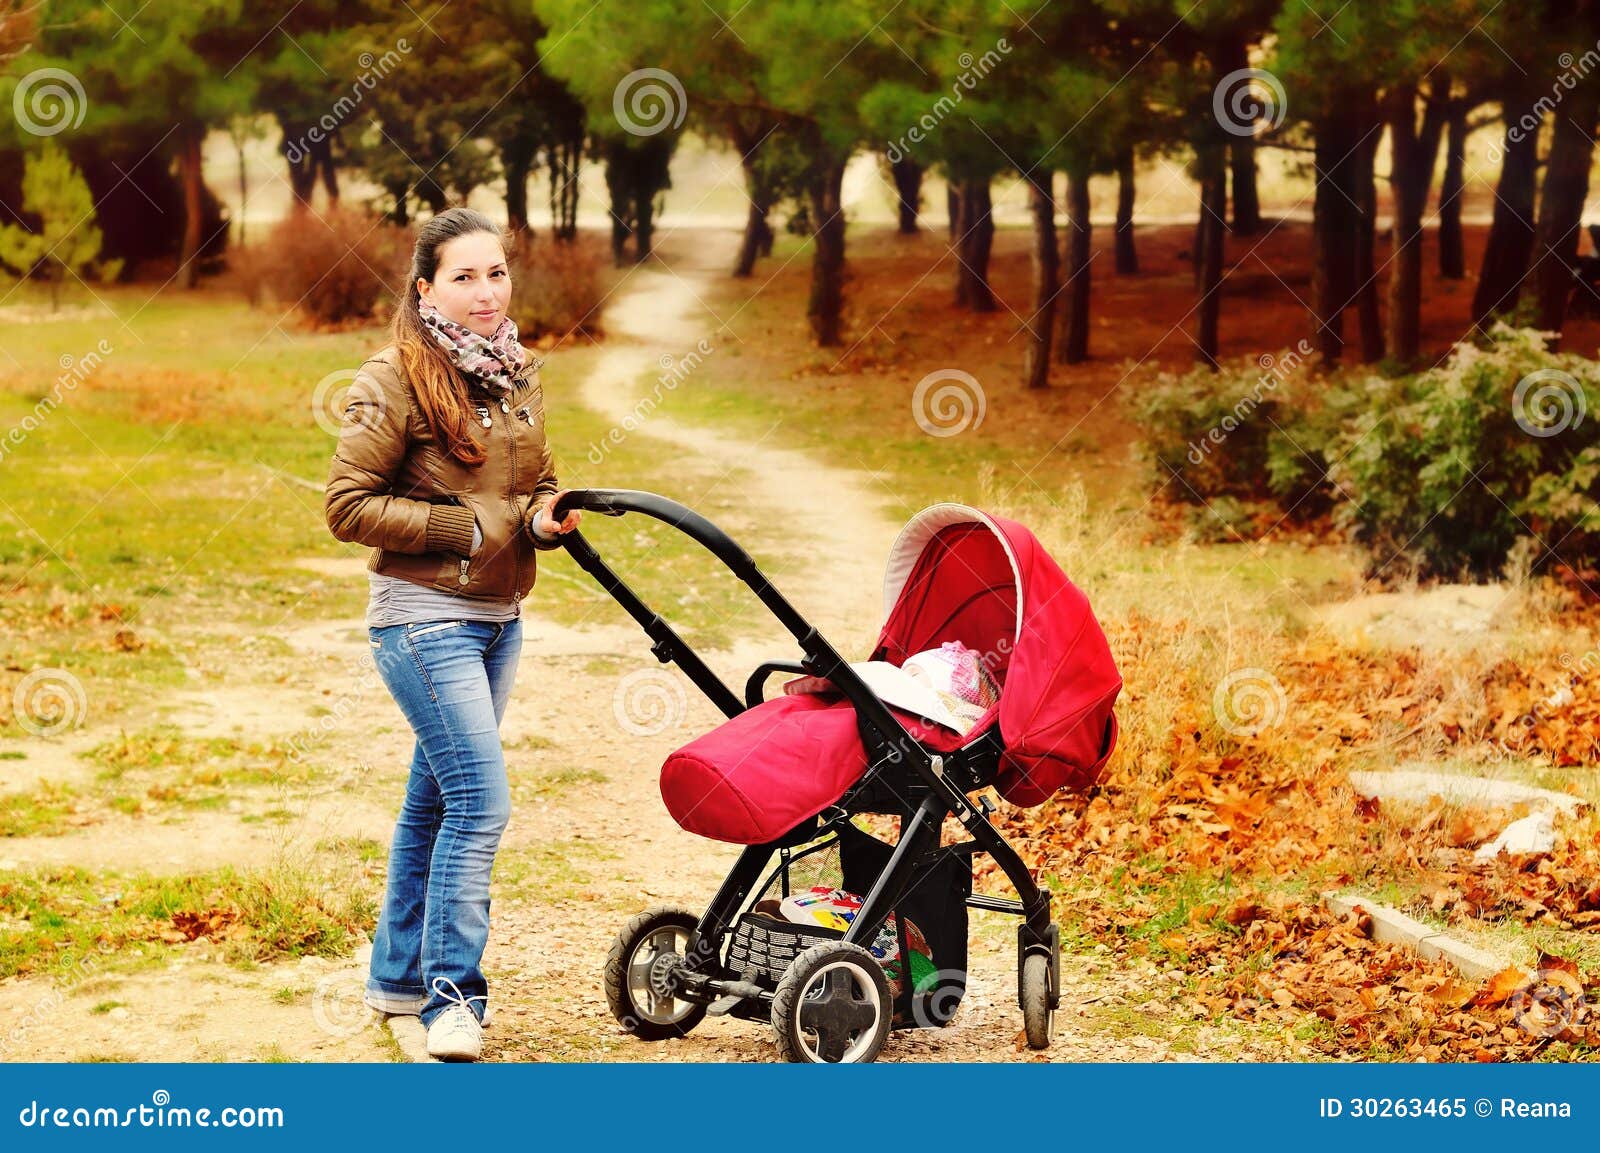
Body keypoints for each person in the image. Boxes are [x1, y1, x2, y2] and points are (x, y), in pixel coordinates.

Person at [323, 205, 581, 1061]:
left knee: (434, 797)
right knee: (481, 802)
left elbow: (533, 479)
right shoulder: (391, 377)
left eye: (496, 273)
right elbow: (346, 506)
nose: (485, 291)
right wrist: (464, 530)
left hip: (500, 618)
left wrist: (545, 515)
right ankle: (450, 999)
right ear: (426, 286)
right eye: (463, 276)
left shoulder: (516, 371)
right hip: (423, 617)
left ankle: (395, 979)